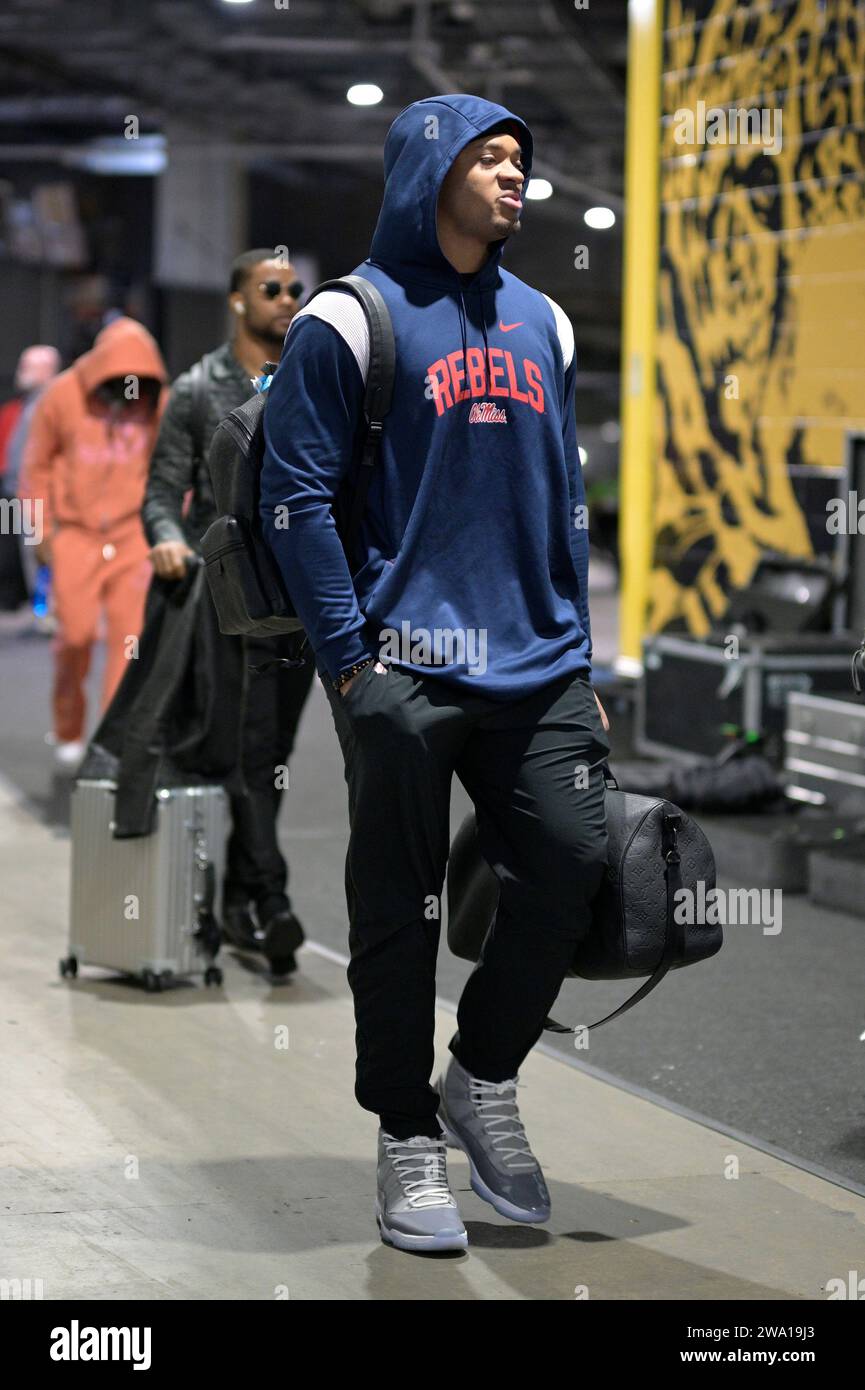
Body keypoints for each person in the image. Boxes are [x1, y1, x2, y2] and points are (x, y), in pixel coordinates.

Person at [260, 94, 612, 1253]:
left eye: (523, 159)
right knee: (398, 914)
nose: (516, 178)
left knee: (570, 862)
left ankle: (480, 1077)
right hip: (402, 670)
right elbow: (295, 501)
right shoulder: (346, 322)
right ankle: (405, 1135)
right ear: (428, 170)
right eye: (492, 159)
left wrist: (580, 649)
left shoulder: (545, 325)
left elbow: (562, 498)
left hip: (539, 662)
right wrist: (353, 664)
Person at [142, 249, 314, 977]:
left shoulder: (310, 379)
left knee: (273, 752)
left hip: (302, 597)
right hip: (227, 595)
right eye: (271, 290)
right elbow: (160, 492)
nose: (286, 299)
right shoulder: (195, 389)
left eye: (294, 290)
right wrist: (167, 541)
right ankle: (267, 900)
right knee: (244, 748)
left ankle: (243, 901)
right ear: (238, 301)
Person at [19, 320, 167, 768]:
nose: (129, 388)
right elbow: (36, 467)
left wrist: (166, 530)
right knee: (75, 636)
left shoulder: (158, 400)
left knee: (130, 643)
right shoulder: (61, 396)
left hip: (131, 535)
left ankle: (112, 740)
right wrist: (39, 530)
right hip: (75, 532)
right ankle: (68, 726)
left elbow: (172, 468)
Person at [4, 346, 61, 621]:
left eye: (28, 366)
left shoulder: (53, 402)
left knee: (43, 550)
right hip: (19, 492)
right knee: (28, 550)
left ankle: (51, 611)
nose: (20, 371)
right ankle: (42, 610)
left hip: (41, 495)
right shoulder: (31, 403)